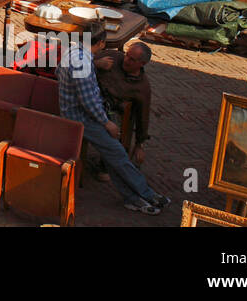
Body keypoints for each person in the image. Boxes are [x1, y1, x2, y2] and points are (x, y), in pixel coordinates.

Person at [57, 20, 168, 214]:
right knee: (118, 153)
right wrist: (107, 123)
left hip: (78, 112)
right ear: (100, 43)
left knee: (113, 157)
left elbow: (60, 73)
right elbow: (88, 101)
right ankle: (145, 193)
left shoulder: (74, 53)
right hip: (81, 118)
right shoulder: (82, 61)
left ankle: (133, 197)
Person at [95, 41, 154, 167]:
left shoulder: (142, 86)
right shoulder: (114, 57)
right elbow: (80, 61)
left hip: (110, 108)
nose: (126, 60)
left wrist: (140, 144)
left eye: (132, 60)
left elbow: (143, 115)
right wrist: (95, 64)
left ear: (142, 64)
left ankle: (105, 165)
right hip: (91, 99)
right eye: (127, 55)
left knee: (114, 129)